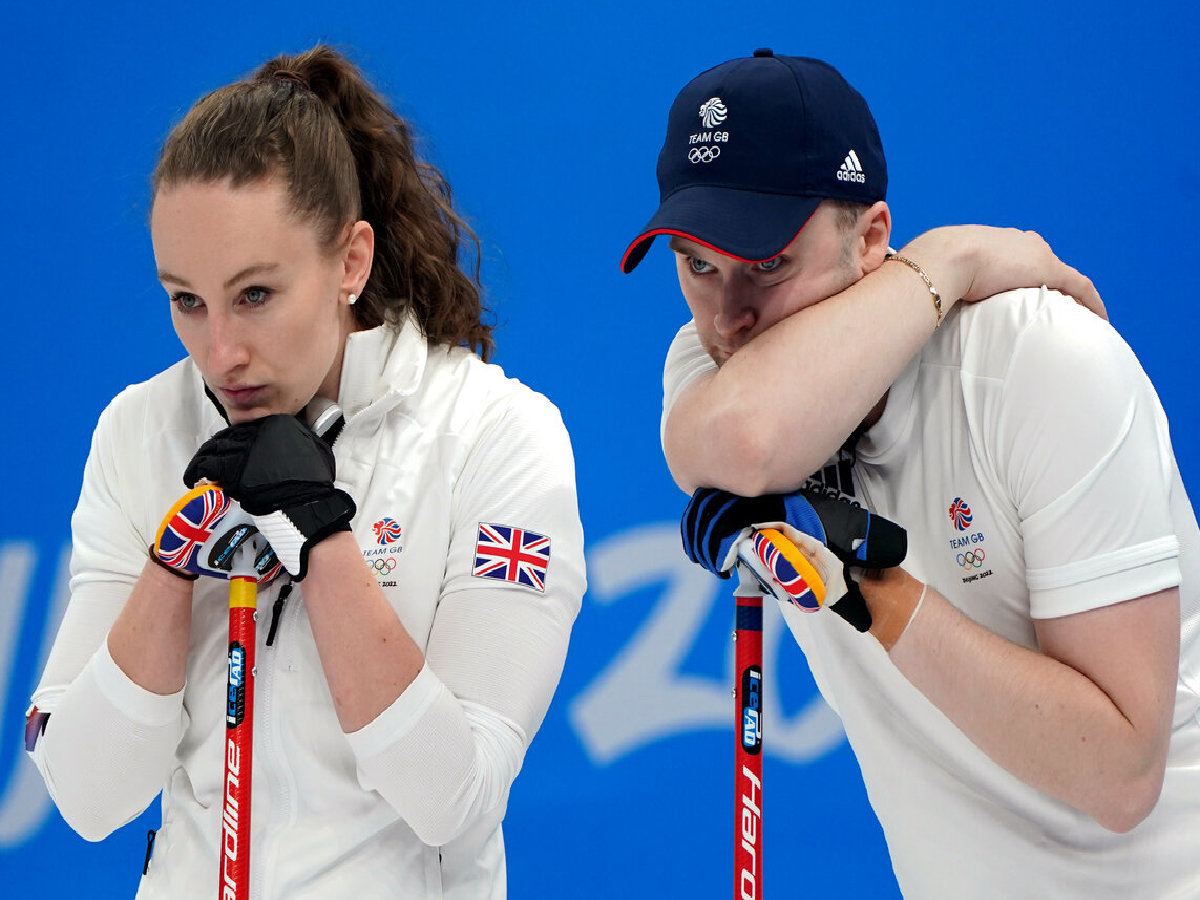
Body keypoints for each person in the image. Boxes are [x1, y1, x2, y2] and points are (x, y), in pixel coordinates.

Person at [622, 49, 1199, 897]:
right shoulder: (711, 370)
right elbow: (745, 438)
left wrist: (867, 591)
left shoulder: (1038, 362)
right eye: (697, 265)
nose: (729, 317)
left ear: (870, 240)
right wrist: (951, 260)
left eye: (768, 263)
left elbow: (1119, 775)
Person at [26, 46, 585, 899]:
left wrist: (320, 532)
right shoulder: (141, 429)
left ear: (350, 262)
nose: (221, 353)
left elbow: (453, 798)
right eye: (187, 301)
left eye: (255, 295)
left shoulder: (493, 433)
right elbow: (88, 795)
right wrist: (173, 563)